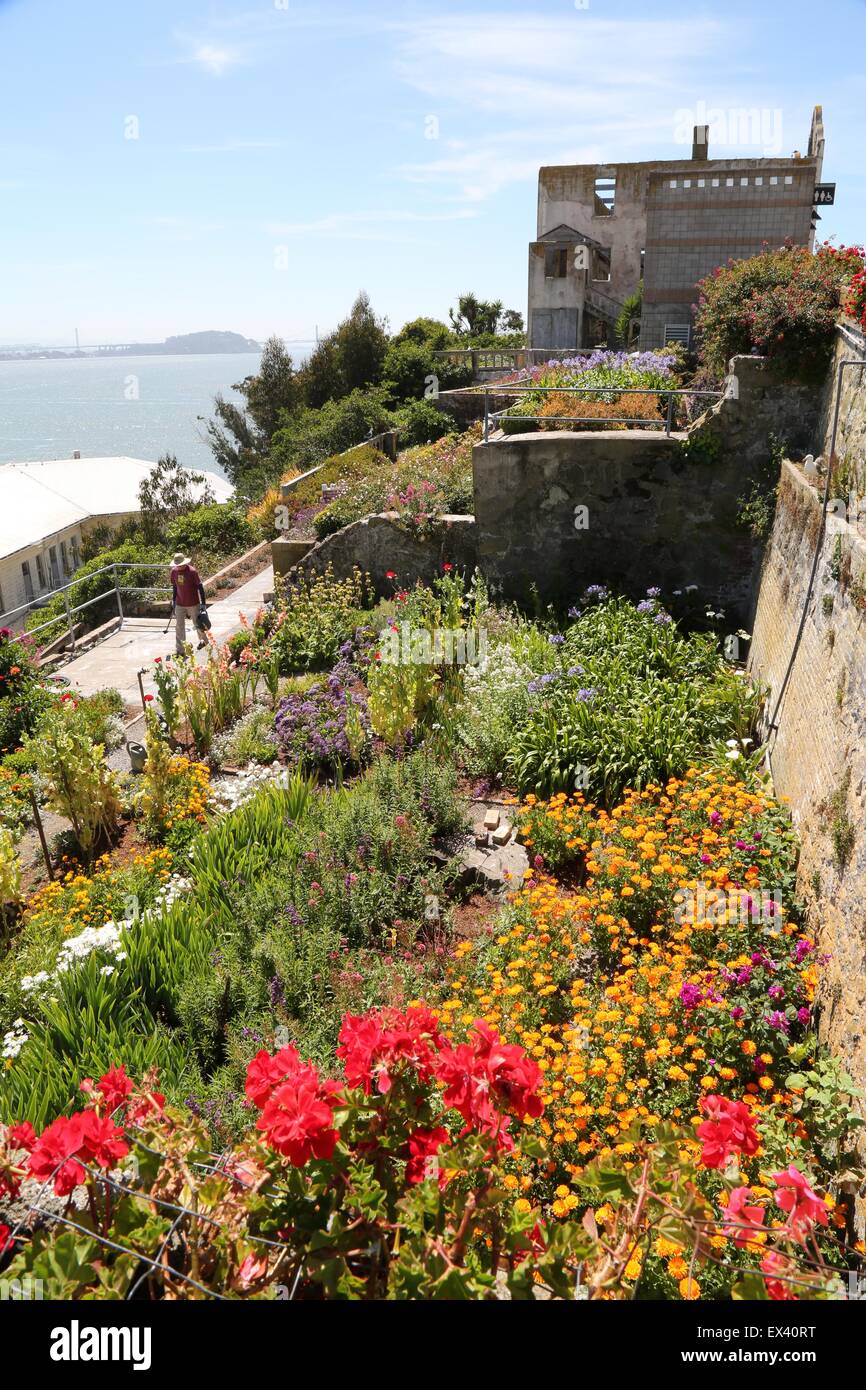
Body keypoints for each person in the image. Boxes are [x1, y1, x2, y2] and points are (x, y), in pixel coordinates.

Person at [170, 552, 207, 654]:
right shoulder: (173, 572)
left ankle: (204, 641)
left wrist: (203, 603)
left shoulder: (192, 572)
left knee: (198, 624)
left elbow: (200, 587)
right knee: (179, 627)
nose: (179, 567)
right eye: (177, 565)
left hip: (193, 603)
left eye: (181, 565)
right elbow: (175, 587)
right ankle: (180, 650)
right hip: (179, 603)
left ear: (185, 563)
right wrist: (173, 601)